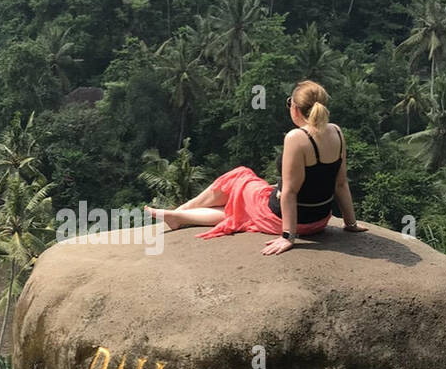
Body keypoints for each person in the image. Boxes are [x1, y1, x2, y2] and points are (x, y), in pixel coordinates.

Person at [145, 80, 367, 256]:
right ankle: (179, 215)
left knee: (240, 176)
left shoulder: (296, 137)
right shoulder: (336, 132)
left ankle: (182, 210)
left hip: (287, 220)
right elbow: (340, 183)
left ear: (296, 110)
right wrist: (351, 224)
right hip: (318, 220)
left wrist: (288, 237)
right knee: (245, 197)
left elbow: (289, 192)